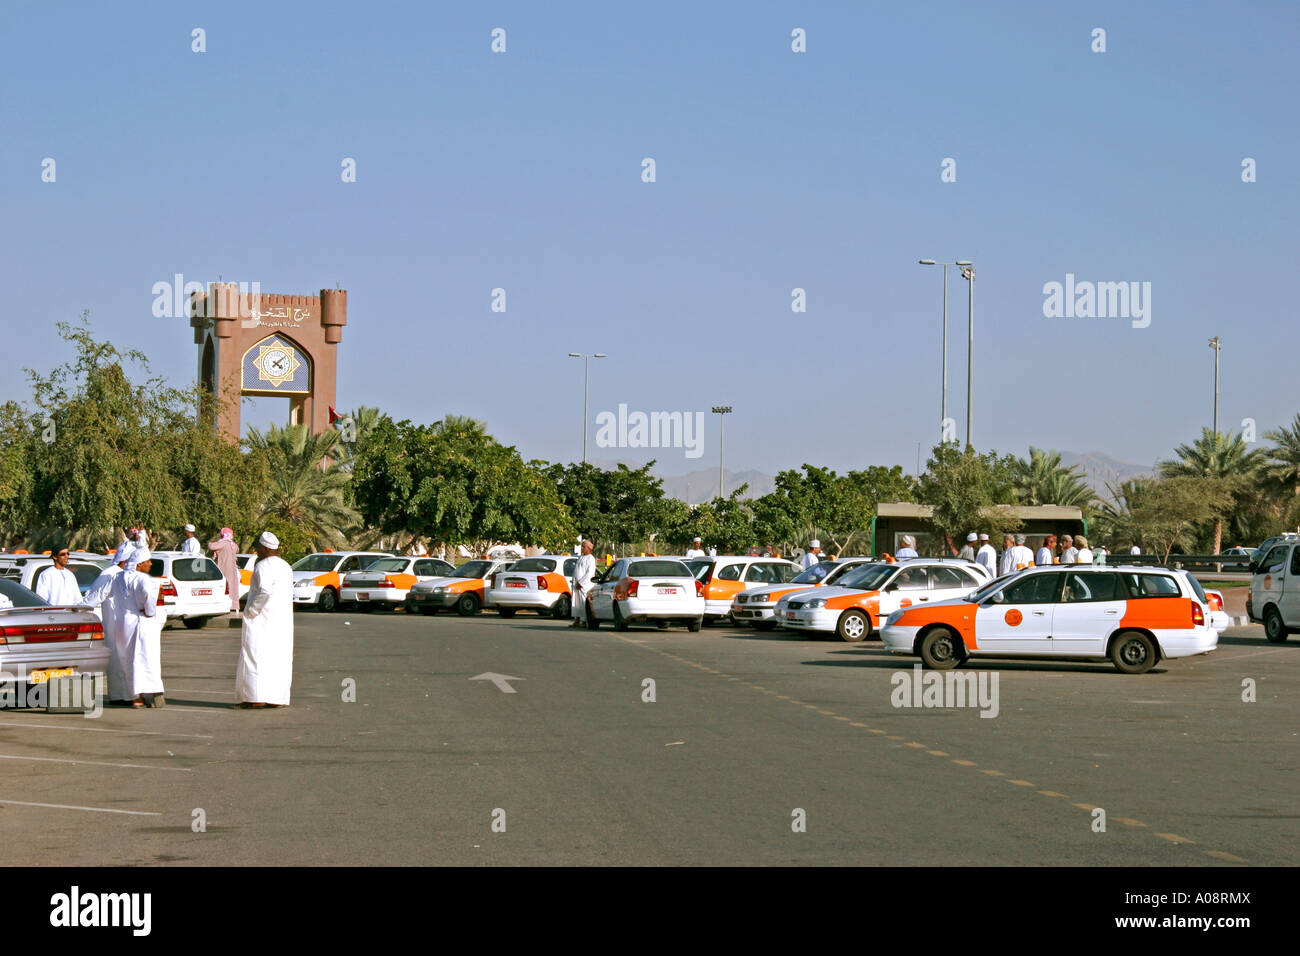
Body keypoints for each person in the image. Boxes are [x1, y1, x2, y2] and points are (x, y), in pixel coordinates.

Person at [237, 531, 295, 708]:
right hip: (280, 621)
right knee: (277, 658)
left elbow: (265, 591)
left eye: (258, 548)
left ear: (263, 548)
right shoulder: (285, 566)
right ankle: (275, 698)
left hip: (261, 620)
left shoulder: (263, 566)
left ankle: (255, 698)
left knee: (255, 657)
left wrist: (252, 611)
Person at [109, 547, 165, 708]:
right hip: (140, 623)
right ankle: (150, 692)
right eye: (147, 561)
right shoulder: (142, 579)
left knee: (127, 659)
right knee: (145, 658)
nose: (150, 564)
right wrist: (149, 611)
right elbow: (148, 596)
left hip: (122, 624)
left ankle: (135, 697)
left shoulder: (118, 577)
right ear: (139, 564)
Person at [209, 527, 240, 613]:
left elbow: (211, 546)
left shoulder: (222, 543)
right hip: (233, 569)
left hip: (223, 568)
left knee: (224, 586)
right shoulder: (233, 544)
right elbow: (237, 550)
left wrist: (213, 542)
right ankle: (234, 606)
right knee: (233, 587)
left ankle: (224, 606)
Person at [570, 540, 597, 628]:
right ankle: (577, 620)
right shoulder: (581, 557)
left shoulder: (591, 559)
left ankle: (583, 621)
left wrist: (581, 583)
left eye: (583, 547)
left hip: (584, 586)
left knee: (583, 603)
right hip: (576, 584)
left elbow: (590, 573)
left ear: (589, 548)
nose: (582, 548)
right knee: (576, 603)